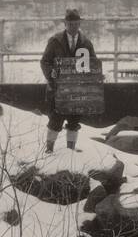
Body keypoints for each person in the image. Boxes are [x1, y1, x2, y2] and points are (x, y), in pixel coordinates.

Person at [40, 9, 98, 152]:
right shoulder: (55, 41)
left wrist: (94, 79)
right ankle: (49, 150)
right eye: (70, 24)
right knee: (55, 120)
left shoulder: (86, 43)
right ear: (65, 24)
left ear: (79, 24)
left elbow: (93, 64)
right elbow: (45, 61)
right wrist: (51, 74)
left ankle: (70, 150)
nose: (73, 27)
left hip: (77, 90)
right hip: (58, 89)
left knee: (74, 121)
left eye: (76, 24)